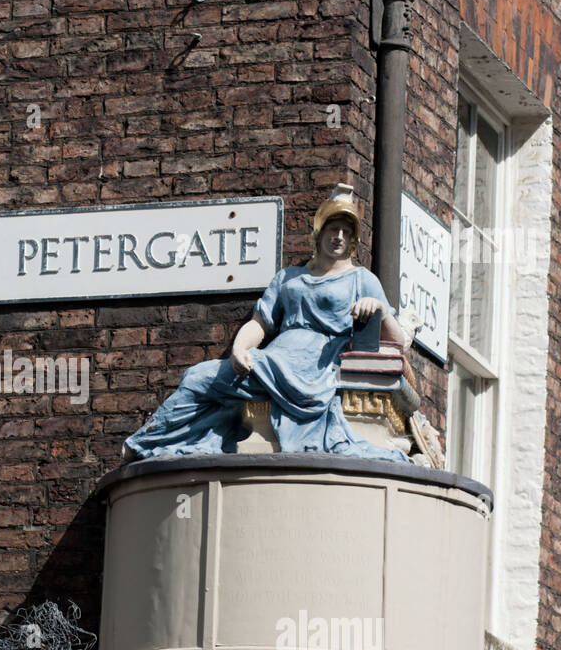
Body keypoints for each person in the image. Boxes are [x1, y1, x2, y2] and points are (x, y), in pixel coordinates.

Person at [122, 184, 410, 463]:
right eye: (333, 229)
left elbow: (398, 343)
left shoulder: (361, 279)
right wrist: (239, 348)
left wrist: (381, 310)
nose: (338, 236)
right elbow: (260, 322)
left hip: (314, 366)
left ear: (353, 240)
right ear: (319, 232)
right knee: (198, 376)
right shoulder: (287, 277)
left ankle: (151, 443)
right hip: (275, 358)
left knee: (203, 380)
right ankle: (149, 442)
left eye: (346, 232)